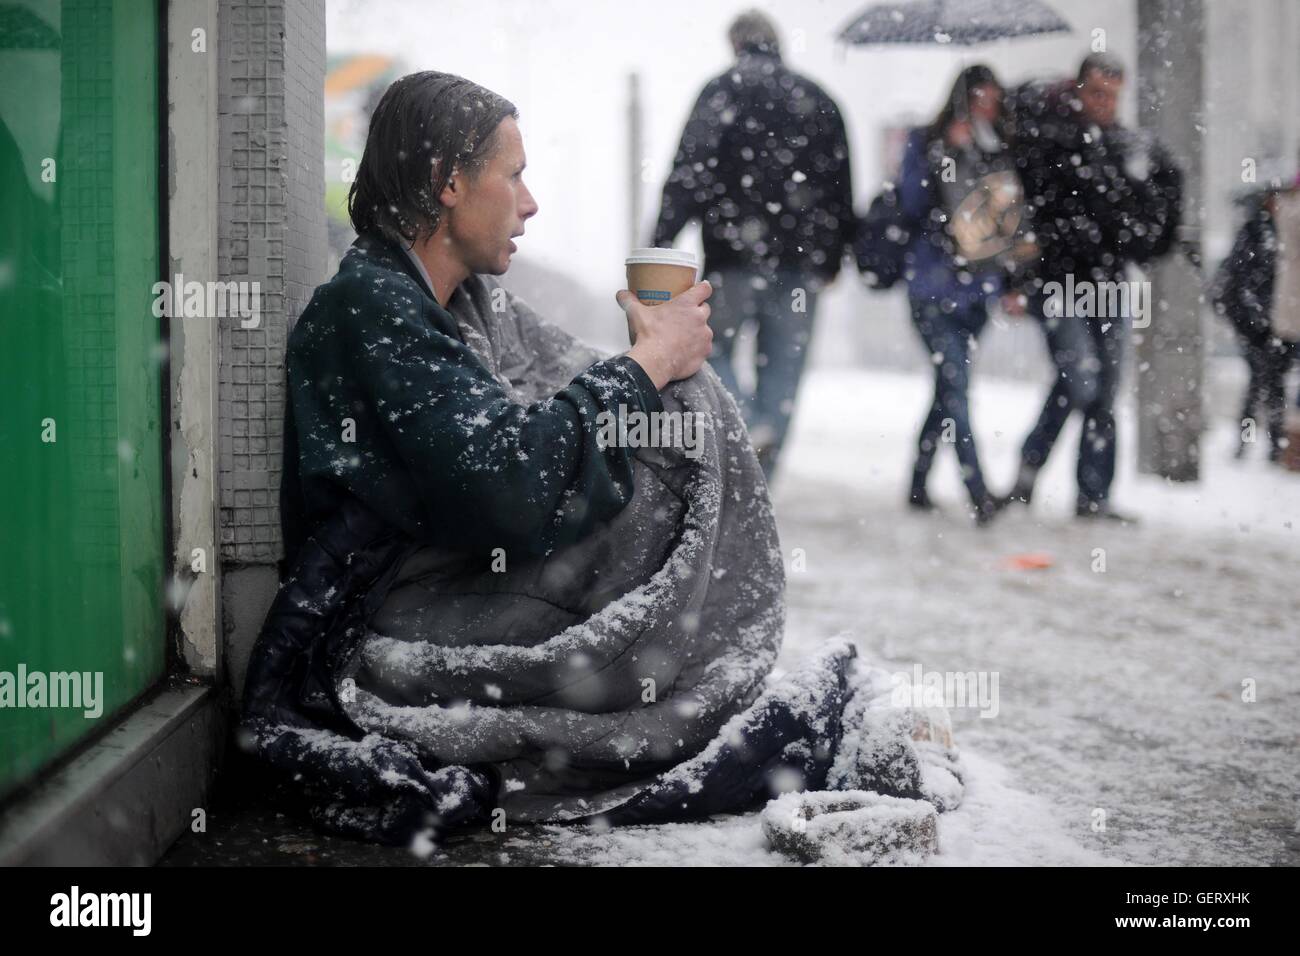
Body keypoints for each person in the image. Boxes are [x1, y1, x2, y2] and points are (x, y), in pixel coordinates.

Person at [276, 71, 714, 569]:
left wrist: (655, 354)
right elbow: (510, 488)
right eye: (514, 175)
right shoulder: (373, 307)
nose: (529, 204)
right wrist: (651, 360)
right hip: (376, 604)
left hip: (432, 585)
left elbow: (565, 388)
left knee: (686, 400)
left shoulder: (462, 300)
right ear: (449, 181)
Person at [651, 9, 856, 481]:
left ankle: (742, 426)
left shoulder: (721, 91)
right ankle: (764, 463)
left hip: (733, 257)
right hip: (801, 265)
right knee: (785, 369)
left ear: (736, 44)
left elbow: (689, 171)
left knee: (711, 347)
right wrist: (835, 253)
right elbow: (840, 184)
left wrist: (661, 242)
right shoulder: (817, 98)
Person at [1001, 53, 1182, 521]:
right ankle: (1031, 470)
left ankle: (1091, 494)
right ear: (1079, 87)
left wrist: (1162, 179)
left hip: (1108, 282)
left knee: (1102, 389)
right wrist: (1019, 278)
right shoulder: (1047, 138)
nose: (1104, 104)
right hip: (1056, 283)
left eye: (1112, 96)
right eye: (1097, 93)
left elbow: (1143, 229)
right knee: (1080, 378)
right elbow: (1024, 208)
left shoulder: (1122, 147)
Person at [897, 65, 1023, 525]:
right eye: (979, 101)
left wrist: (1012, 282)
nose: (986, 110)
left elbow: (1006, 222)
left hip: (977, 293)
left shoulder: (997, 152)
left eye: (993, 101)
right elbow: (909, 203)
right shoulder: (926, 141)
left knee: (948, 388)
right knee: (956, 386)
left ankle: (917, 480)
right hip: (932, 290)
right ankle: (979, 492)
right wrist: (942, 153)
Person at [1211, 177, 1300, 463]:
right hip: (1257, 325)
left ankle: (1259, 444)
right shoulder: (1256, 232)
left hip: (1278, 322)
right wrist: (1254, 319)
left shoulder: (1280, 232)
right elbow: (1237, 282)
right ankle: (1266, 445)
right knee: (1269, 382)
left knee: (1266, 382)